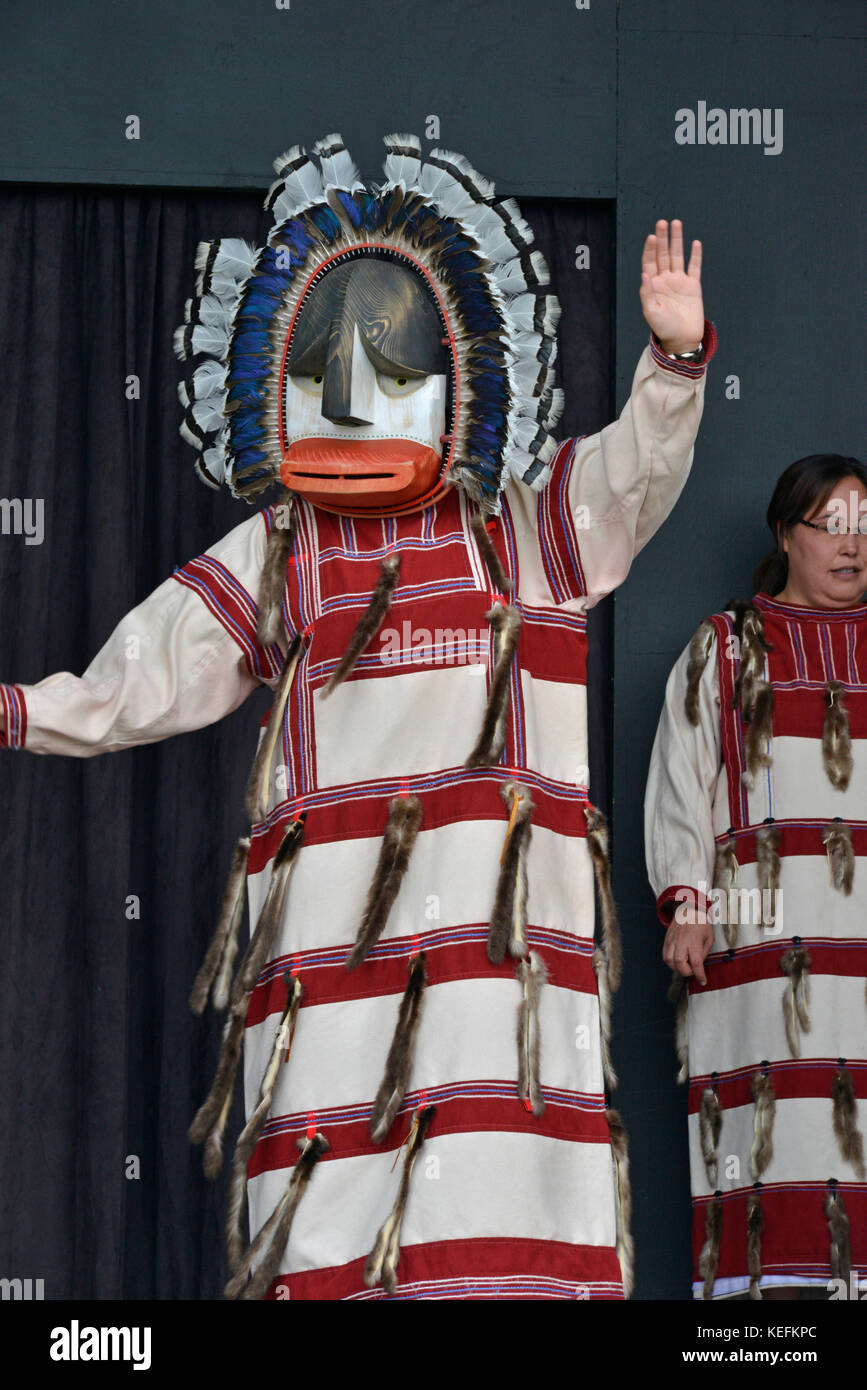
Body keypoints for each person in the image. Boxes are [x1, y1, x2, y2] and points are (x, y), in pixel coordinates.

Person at [1, 132, 716, 1300]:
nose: (348, 406)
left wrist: (675, 357)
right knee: (335, 1204)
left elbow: (636, 470)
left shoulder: (525, 534)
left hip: (497, 948)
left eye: (388, 374)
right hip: (337, 944)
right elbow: (155, 666)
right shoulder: (289, 546)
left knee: (511, 1197)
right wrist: (27, 710)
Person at [645, 453, 867, 1300]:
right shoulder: (725, 645)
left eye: (861, 528)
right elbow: (680, 785)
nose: (848, 547)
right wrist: (688, 903)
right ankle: (762, 1336)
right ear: (786, 534)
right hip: (761, 937)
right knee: (771, 1147)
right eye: (828, 526)